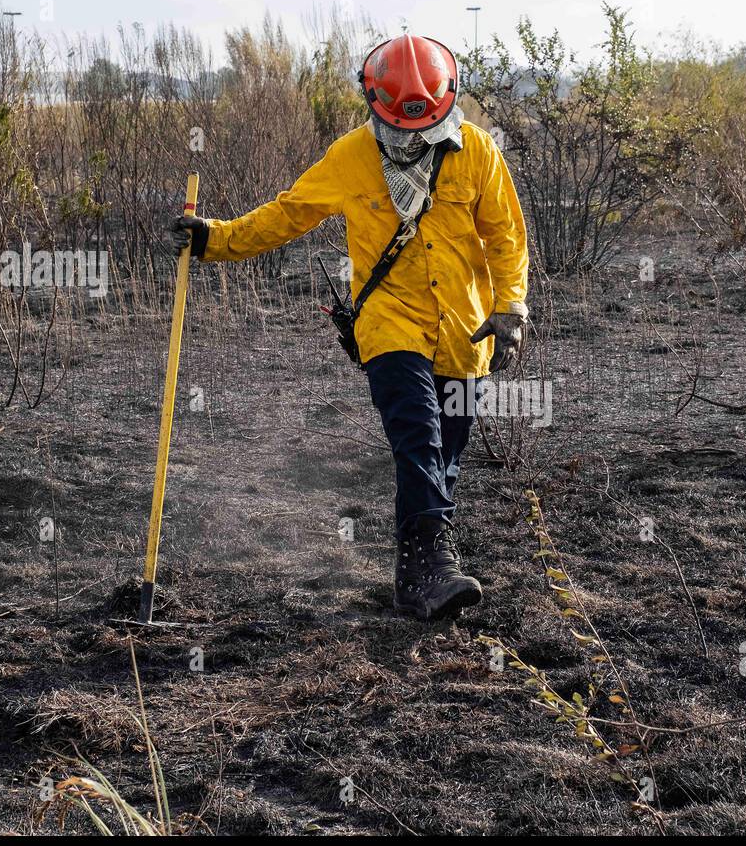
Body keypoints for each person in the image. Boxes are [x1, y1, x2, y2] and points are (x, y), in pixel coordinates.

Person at [168, 34, 530, 621]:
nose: (413, 136)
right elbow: (288, 214)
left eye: (425, 123)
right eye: (401, 124)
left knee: (444, 459)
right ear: (374, 101)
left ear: (447, 99)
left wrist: (511, 308)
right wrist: (214, 239)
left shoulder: (478, 153)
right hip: (390, 325)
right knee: (418, 437)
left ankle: (415, 575)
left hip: (466, 331)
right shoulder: (351, 156)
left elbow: (505, 237)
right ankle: (434, 567)